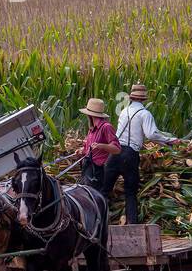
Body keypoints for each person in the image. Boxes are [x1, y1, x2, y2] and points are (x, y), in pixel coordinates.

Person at [104, 83, 179, 224]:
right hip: (129, 155)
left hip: (114, 152)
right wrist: (169, 140)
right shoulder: (145, 114)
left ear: (131, 98)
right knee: (130, 193)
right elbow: (151, 134)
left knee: (104, 190)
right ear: (144, 99)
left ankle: (98, 221)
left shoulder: (124, 111)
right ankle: (132, 225)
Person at [76, 98, 120, 191]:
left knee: (92, 196)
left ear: (89, 114)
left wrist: (101, 146)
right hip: (87, 168)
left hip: (96, 171)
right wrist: (81, 151)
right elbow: (88, 150)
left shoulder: (106, 127)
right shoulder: (92, 129)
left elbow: (117, 149)